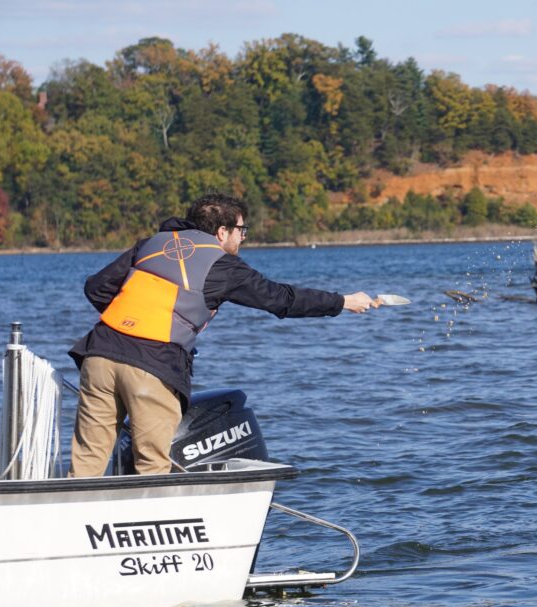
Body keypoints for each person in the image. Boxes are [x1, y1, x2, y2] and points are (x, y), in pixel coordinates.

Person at [68, 193, 377, 477]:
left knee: (86, 463)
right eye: (241, 230)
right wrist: (342, 302)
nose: (243, 238)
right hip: (152, 363)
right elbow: (281, 299)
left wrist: (139, 313)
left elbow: (97, 287)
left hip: (100, 355)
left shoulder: (149, 244)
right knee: (152, 467)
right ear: (222, 232)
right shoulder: (224, 266)